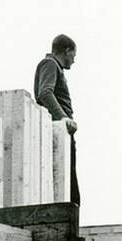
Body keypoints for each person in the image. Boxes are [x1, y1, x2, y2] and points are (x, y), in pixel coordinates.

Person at [34, 34, 80, 204]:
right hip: (60, 130)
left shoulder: (53, 66)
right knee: (68, 188)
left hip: (62, 130)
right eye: (73, 56)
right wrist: (64, 118)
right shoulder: (50, 63)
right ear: (67, 51)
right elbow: (45, 92)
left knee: (70, 186)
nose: (73, 61)